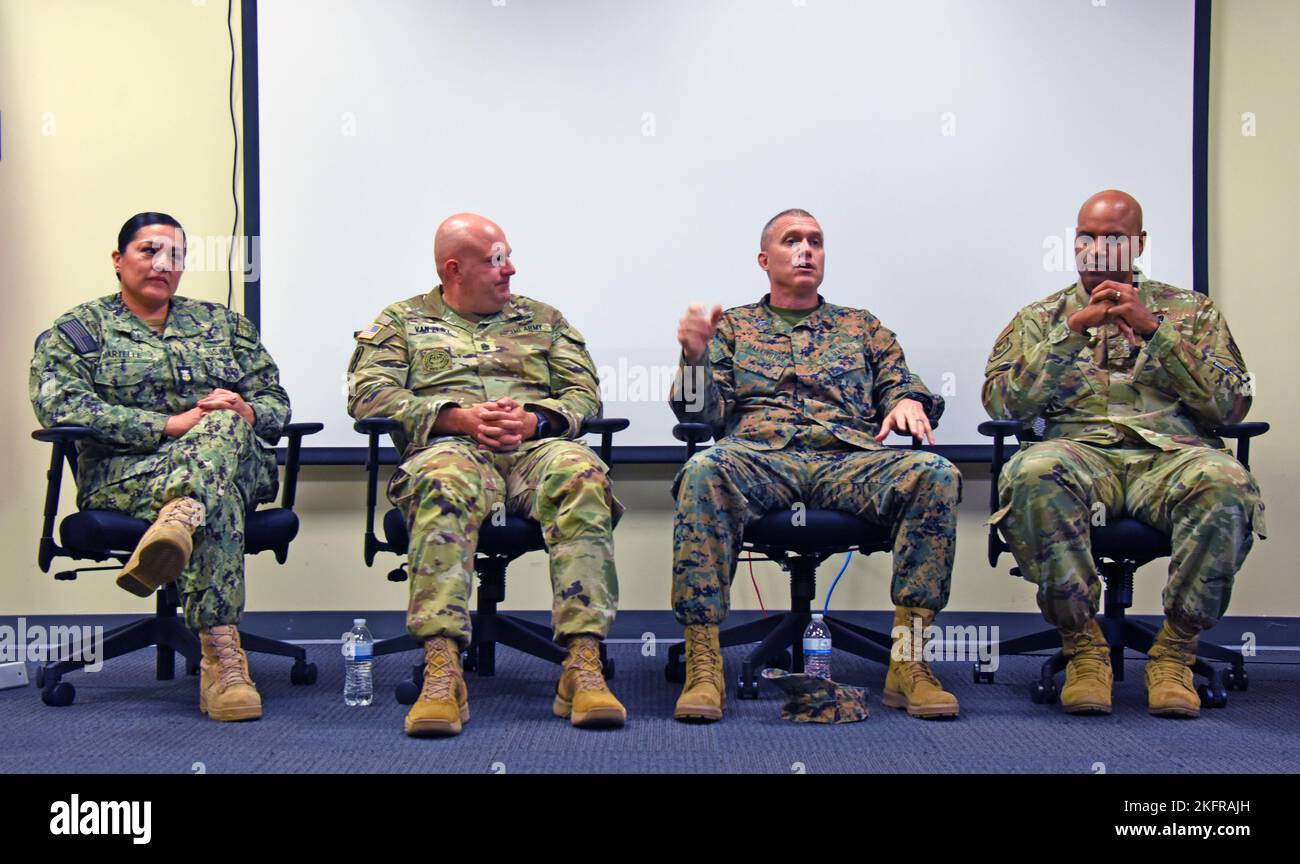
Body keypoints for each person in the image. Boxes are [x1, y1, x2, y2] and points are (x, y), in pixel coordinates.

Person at [669, 208, 962, 723]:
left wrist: (909, 401)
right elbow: (700, 414)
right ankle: (704, 662)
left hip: (847, 459)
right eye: (792, 240)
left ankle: (910, 660)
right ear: (765, 259)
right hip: (761, 459)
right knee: (703, 470)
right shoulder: (733, 327)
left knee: (935, 473)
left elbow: (900, 382)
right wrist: (693, 359)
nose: (806, 250)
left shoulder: (860, 325)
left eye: (816, 241)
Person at [983, 190, 1264, 718]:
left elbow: (1232, 404)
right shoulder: (1041, 317)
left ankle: (1176, 652)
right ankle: (1084, 649)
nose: (1097, 248)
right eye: (1087, 236)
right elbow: (1004, 404)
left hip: (1171, 459)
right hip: (1080, 455)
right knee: (1035, 470)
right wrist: (1068, 336)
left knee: (1227, 479)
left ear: (1139, 244)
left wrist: (1157, 332)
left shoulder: (1192, 311)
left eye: (1113, 238)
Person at [347, 212, 625, 736]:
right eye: (496, 260)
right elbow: (368, 396)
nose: (510, 270)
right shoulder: (400, 322)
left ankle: (583, 665)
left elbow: (584, 396)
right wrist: (458, 417)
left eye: (509, 256)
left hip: (535, 452)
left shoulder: (546, 320)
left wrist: (535, 419)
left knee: (582, 471)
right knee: (443, 478)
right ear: (454, 269)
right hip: (450, 449)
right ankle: (442, 669)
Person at [30, 212, 291, 722]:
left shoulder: (224, 325)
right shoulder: (79, 330)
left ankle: (180, 519)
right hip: (127, 478)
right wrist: (167, 425)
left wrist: (246, 411)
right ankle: (221, 655)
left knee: (225, 424)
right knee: (213, 495)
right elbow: (60, 408)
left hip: (240, 465)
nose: (162, 264)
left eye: (175, 255)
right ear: (118, 259)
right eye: (149, 251)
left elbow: (276, 401)